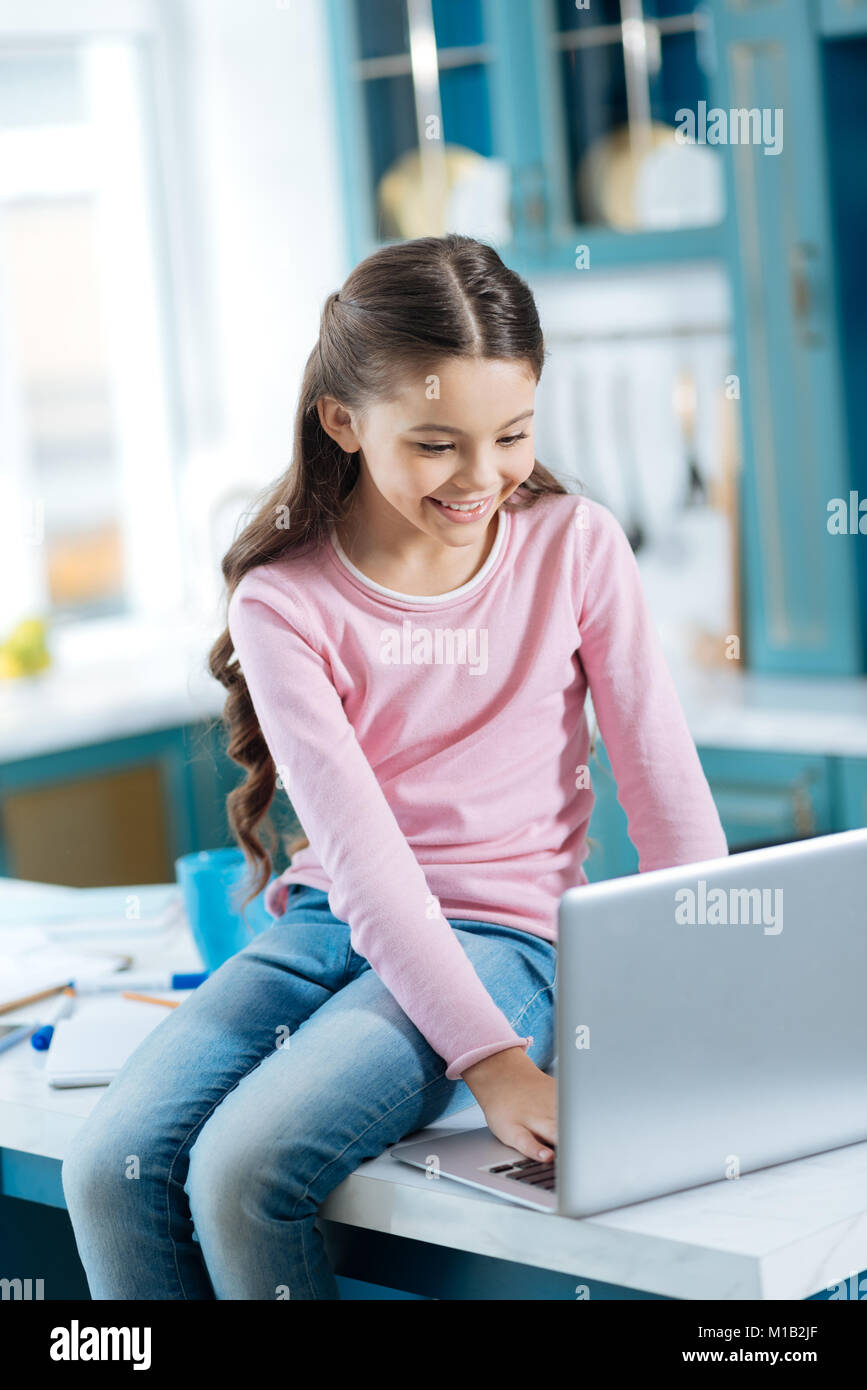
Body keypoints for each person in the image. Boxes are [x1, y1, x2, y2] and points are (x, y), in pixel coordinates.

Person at [62, 234, 728, 1299]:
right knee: (107, 1171)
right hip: (333, 924)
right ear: (343, 420)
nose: (481, 478)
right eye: (435, 444)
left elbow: (665, 791)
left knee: (243, 1172)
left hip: (508, 937)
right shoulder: (285, 600)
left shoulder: (576, 546)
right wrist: (491, 1062)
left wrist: (694, 991)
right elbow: (369, 868)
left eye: (509, 434)